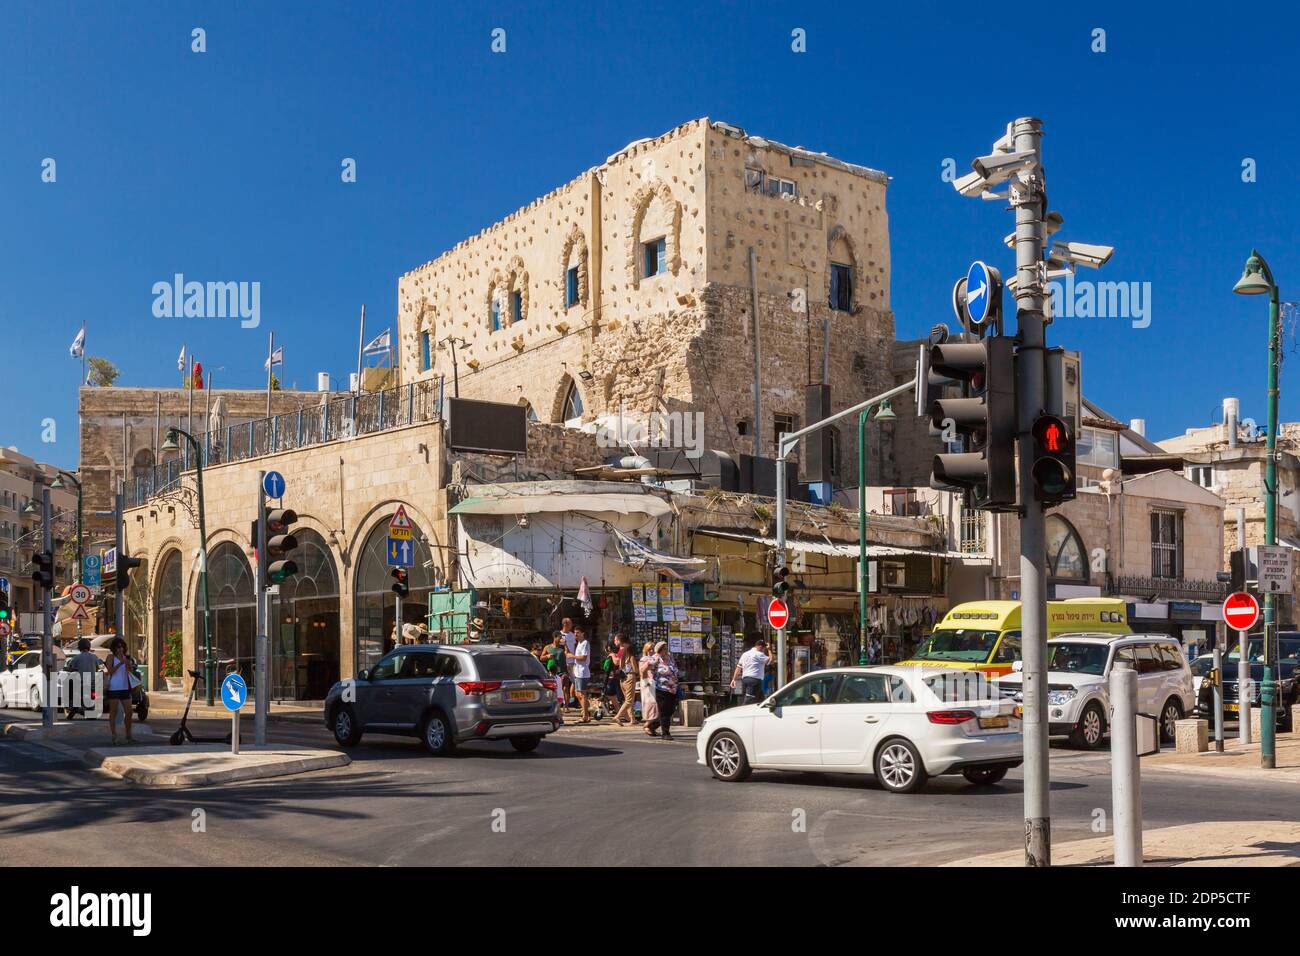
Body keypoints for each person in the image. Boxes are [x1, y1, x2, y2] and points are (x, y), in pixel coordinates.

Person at [104, 637, 137, 745]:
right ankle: (114, 736)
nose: (120, 649)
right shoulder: (110, 657)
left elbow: (129, 672)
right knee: (114, 712)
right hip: (114, 687)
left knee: (129, 712)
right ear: (114, 648)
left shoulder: (126, 658)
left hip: (124, 687)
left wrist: (129, 666)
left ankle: (129, 736)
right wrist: (120, 663)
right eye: (118, 647)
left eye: (122, 646)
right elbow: (110, 671)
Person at [650, 641, 679, 740]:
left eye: (666, 649)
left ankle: (653, 725)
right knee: (664, 711)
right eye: (664, 649)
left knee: (671, 710)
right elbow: (648, 669)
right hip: (661, 688)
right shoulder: (655, 658)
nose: (666, 651)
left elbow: (674, 668)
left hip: (673, 688)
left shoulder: (670, 657)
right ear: (659, 650)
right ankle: (665, 733)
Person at [65, 638, 101, 718]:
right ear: (89, 646)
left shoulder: (77, 658)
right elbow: (99, 668)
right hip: (93, 683)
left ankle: (71, 704)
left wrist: (71, 669)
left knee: (68, 684)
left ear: (79, 647)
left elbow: (70, 668)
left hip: (81, 683)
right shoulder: (94, 657)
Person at [731, 639, 770, 705]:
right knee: (749, 700)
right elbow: (770, 661)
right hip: (754, 680)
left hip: (746, 679)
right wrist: (769, 650)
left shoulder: (745, 654)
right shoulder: (759, 654)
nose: (764, 650)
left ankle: (762, 712)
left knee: (761, 700)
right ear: (760, 647)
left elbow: (739, 667)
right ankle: (742, 712)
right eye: (764, 648)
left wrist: (734, 679)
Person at [571, 626, 592, 722]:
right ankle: (586, 712)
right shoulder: (578, 643)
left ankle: (586, 716)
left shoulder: (585, 643)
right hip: (577, 671)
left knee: (582, 694)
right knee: (577, 693)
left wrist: (572, 656)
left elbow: (583, 658)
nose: (576, 634)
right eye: (575, 632)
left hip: (583, 672)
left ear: (583, 633)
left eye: (578, 632)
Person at [639, 641, 659, 736]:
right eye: (649, 649)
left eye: (652, 649)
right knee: (651, 704)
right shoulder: (644, 659)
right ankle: (647, 725)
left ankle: (651, 726)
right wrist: (646, 682)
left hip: (654, 683)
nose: (651, 651)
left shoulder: (654, 658)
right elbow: (642, 671)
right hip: (648, 683)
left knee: (656, 704)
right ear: (646, 650)